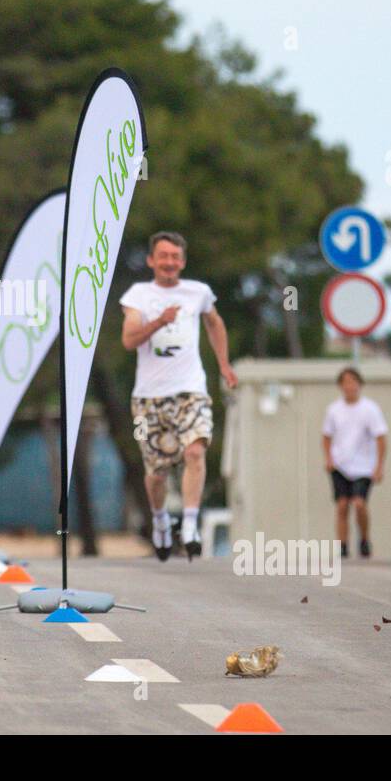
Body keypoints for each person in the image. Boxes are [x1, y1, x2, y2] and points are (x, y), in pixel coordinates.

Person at [119, 231, 237, 561]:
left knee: (195, 451)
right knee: (156, 472)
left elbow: (215, 324)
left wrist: (224, 365)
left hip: (191, 390)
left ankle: (189, 524)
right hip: (148, 398)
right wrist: (159, 321)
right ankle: (159, 521)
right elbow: (129, 341)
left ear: (182, 262)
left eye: (175, 257)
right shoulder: (138, 295)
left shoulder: (198, 292)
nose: (169, 262)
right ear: (151, 261)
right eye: (163, 256)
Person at [321, 367, 388, 559]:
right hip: (340, 464)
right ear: (340, 386)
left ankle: (364, 539)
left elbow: (381, 438)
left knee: (359, 504)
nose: (349, 386)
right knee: (342, 505)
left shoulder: (370, 409)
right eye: (345, 382)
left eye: (353, 381)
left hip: (363, 466)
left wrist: (379, 466)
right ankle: (342, 545)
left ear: (359, 384)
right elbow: (326, 436)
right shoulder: (333, 410)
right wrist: (328, 458)